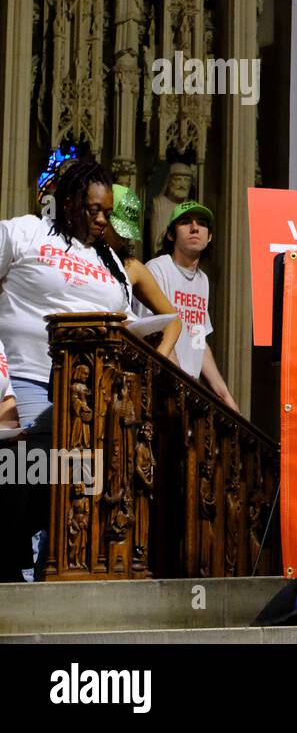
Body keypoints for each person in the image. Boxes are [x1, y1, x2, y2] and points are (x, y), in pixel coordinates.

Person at [0, 158, 133, 580]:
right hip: (26, 378)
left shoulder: (108, 260)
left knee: (79, 490)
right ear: (68, 200)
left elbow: (124, 320)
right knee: (28, 477)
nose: (100, 220)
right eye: (93, 209)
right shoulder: (26, 232)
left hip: (94, 392)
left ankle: (48, 580)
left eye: (107, 212)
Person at [146, 200, 239, 414]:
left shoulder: (202, 281)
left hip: (186, 392)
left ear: (210, 237)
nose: (195, 227)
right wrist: (182, 383)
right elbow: (153, 334)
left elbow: (198, 339)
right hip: (160, 386)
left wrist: (224, 395)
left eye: (202, 224)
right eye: (186, 222)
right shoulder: (158, 269)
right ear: (171, 235)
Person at [103, 184, 182, 360]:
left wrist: (158, 359)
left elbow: (174, 320)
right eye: (119, 231)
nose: (124, 239)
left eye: (127, 233)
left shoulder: (131, 266)